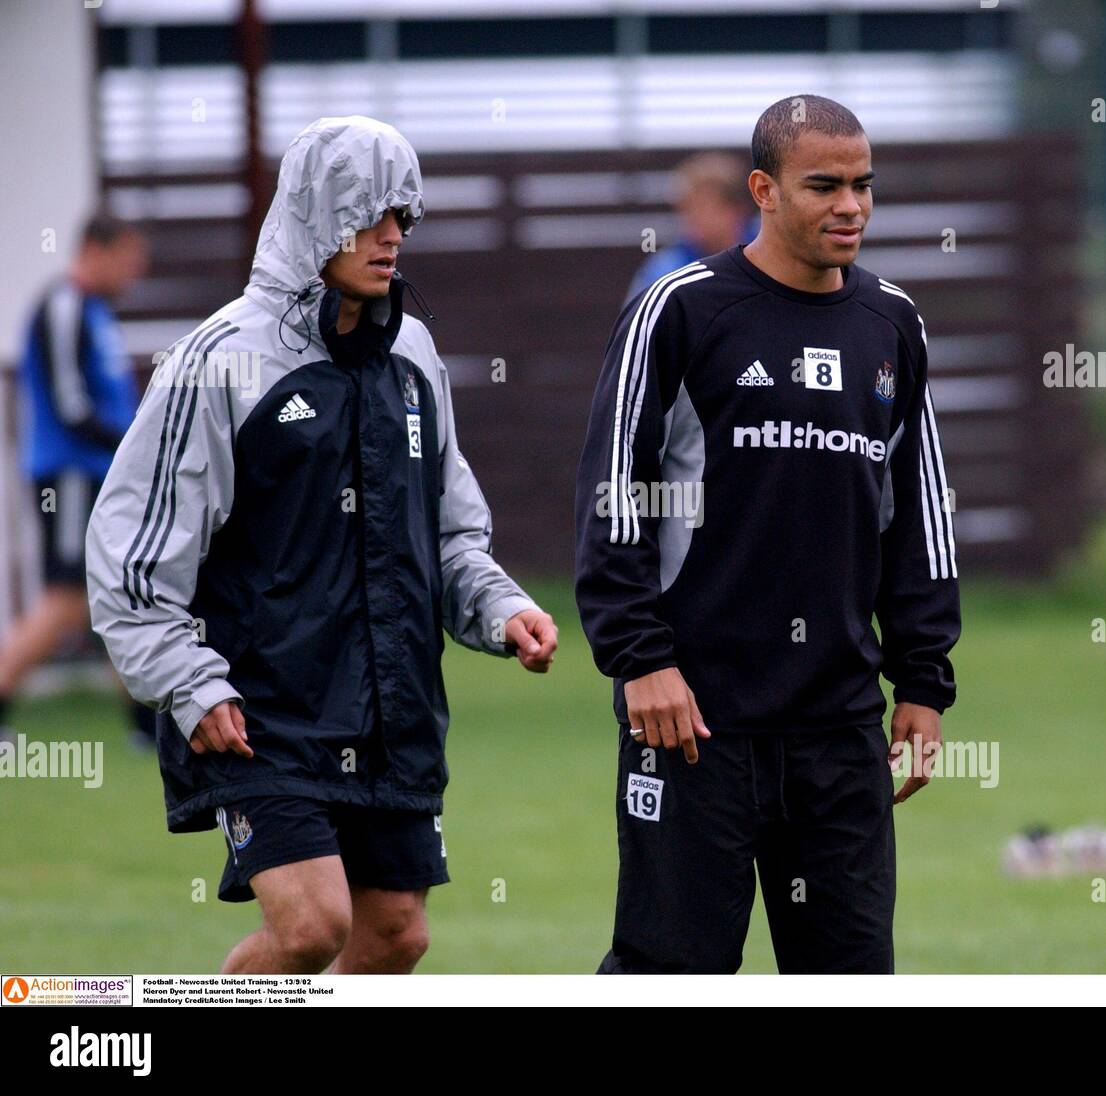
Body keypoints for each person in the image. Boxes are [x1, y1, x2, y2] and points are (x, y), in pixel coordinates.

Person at [86, 115, 557, 974]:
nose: (391, 238)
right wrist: (189, 683)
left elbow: (451, 530)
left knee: (396, 937)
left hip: (392, 706)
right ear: (311, 216)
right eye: (368, 216)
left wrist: (501, 607)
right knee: (311, 926)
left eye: (402, 218)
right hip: (259, 710)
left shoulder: (412, 352)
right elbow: (135, 559)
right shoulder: (218, 362)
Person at [574, 94, 960, 974]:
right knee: (668, 973)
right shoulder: (678, 309)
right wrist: (640, 658)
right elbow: (613, 496)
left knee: (851, 978)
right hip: (694, 720)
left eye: (863, 185)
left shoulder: (892, 323)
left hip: (838, 725)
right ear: (764, 190)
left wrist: (925, 681)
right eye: (824, 185)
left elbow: (919, 512)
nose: (851, 206)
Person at [0, 212, 152, 746]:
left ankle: (145, 725)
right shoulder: (63, 305)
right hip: (68, 479)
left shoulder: (95, 313)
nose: (135, 271)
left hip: (97, 479)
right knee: (66, 599)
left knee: (109, 592)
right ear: (96, 249)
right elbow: (70, 406)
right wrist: (133, 444)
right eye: (129, 258)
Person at [625, 151, 758, 304]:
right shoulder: (664, 270)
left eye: (702, 207)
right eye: (685, 208)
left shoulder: (773, 256)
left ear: (736, 210)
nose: (690, 217)